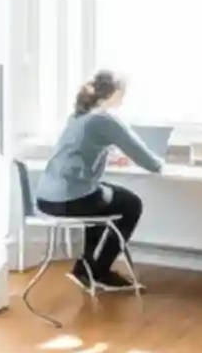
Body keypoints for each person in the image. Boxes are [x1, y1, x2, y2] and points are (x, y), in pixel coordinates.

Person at [35, 70, 164, 292]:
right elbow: (146, 159)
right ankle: (99, 271)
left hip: (46, 199)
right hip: (70, 198)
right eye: (123, 92)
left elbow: (78, 151)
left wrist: (112, 158)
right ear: (114, 92)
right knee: (131, 204)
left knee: (100, 200)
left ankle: (86, 269)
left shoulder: (78, 117)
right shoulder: (104, 119)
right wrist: (160, 164)